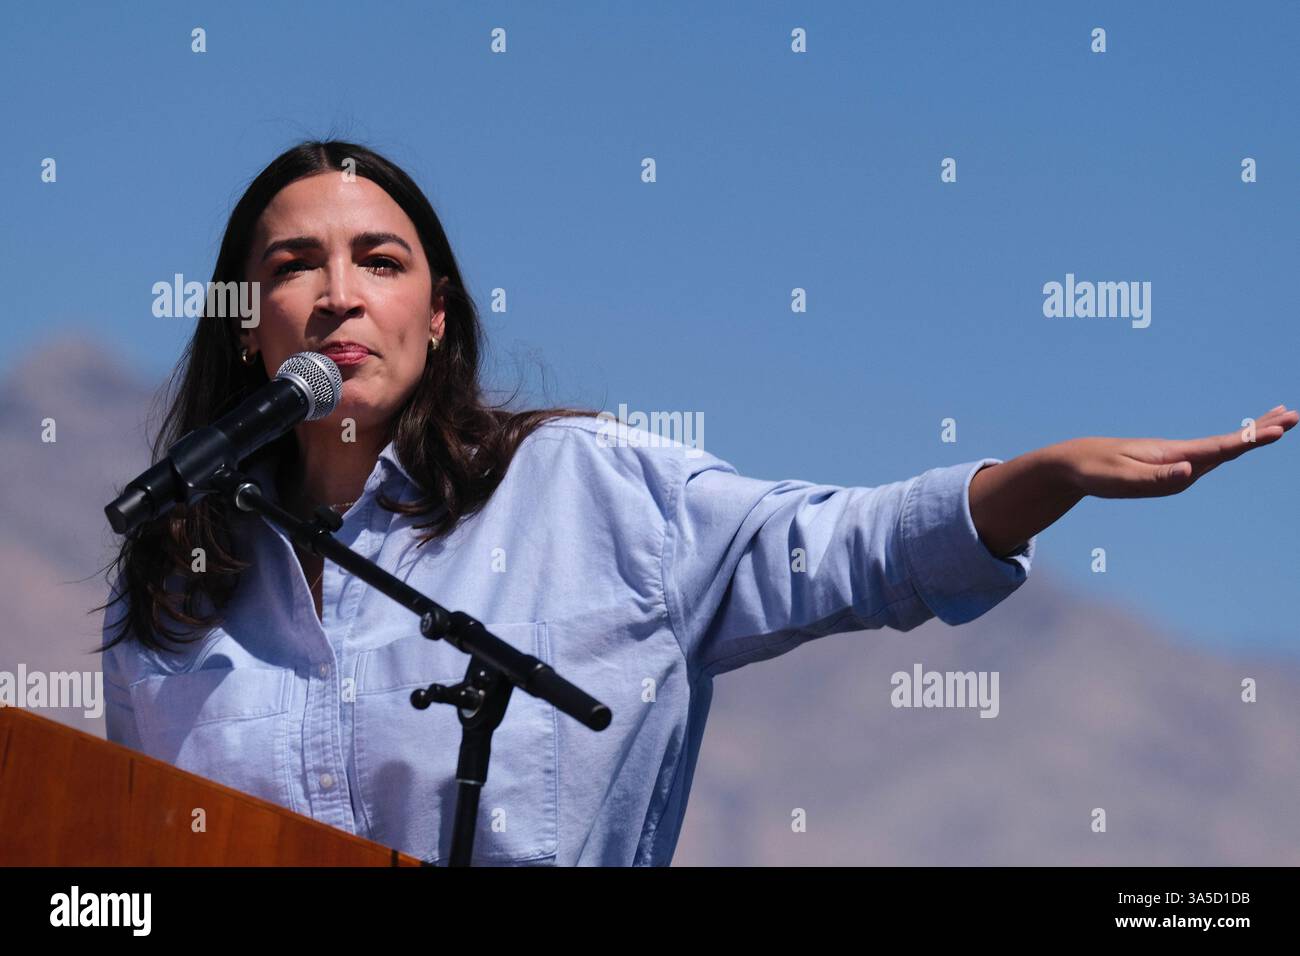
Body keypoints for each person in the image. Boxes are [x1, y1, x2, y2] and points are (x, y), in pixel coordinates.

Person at [94, 140, 1297, 866]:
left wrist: (1031, 481)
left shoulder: (587, 493)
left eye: (382, 260)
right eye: (293, 264)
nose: (338, 295)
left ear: (440, 316)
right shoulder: (169, 599)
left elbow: (842, 548)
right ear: (247, 327)